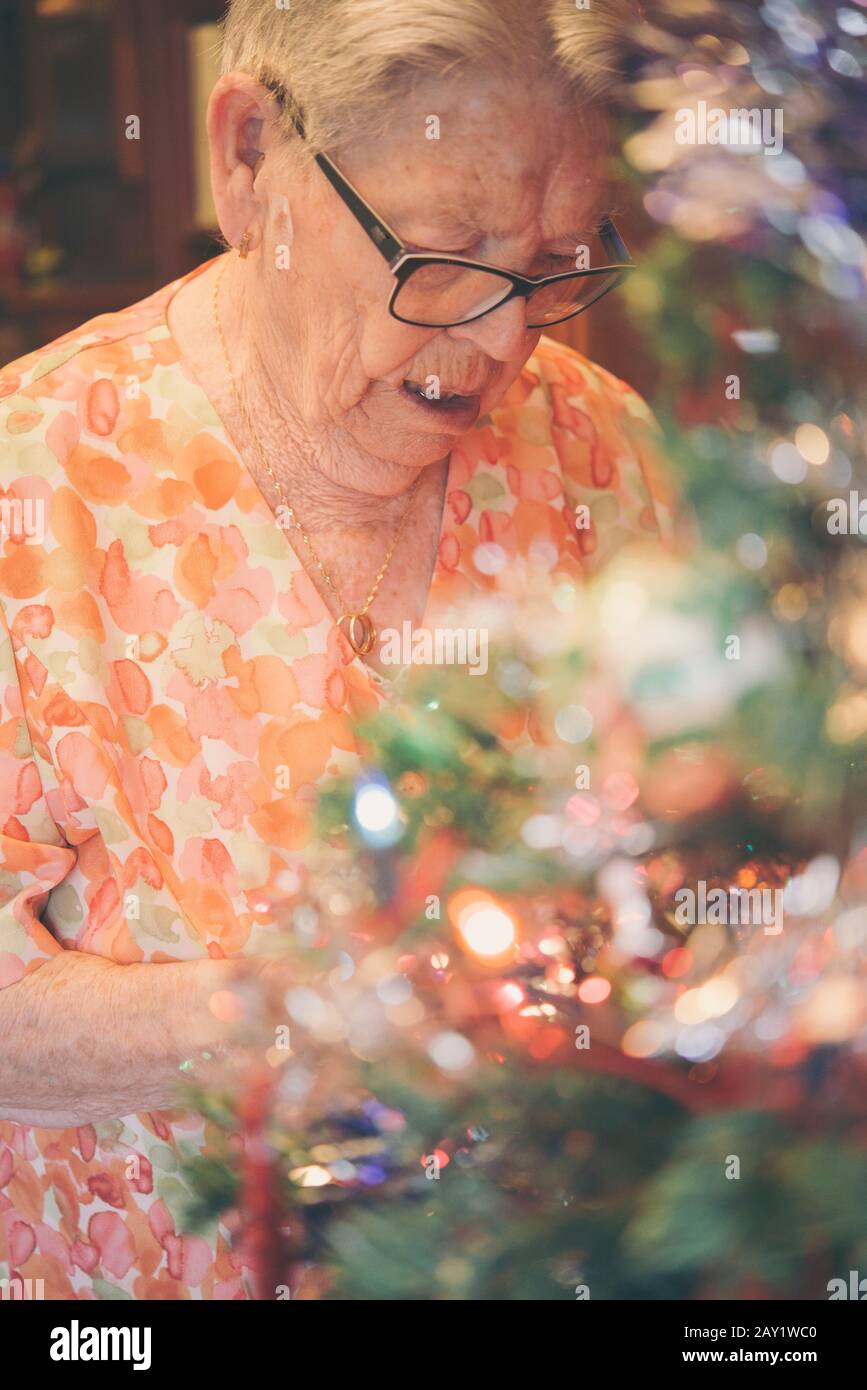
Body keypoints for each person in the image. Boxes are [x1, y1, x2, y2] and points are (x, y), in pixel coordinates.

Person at [0, 0, 673, 1297]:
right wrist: (290, 1016)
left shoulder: (609, 455)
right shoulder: (39, 492)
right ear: (248, 155)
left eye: (554, 258)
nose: (505, 339)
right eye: (444, 255)